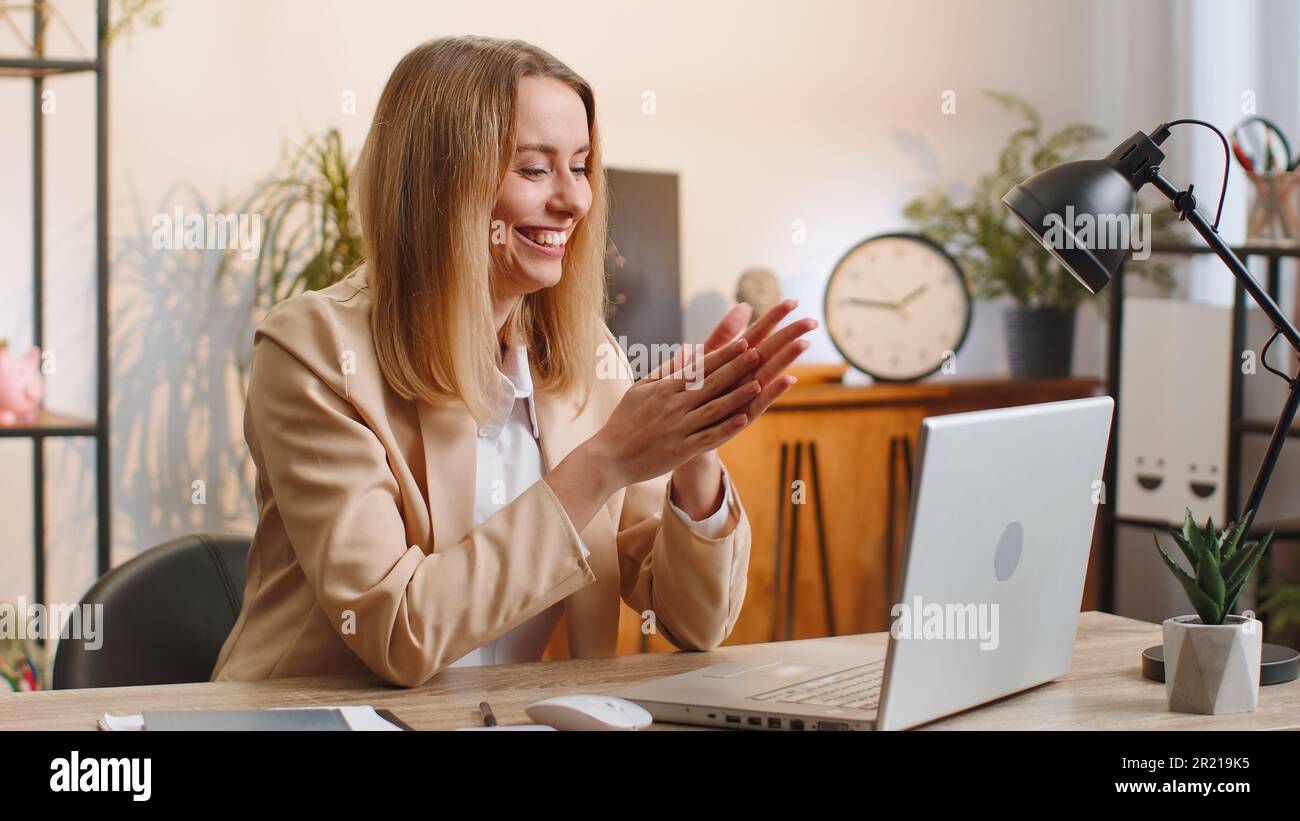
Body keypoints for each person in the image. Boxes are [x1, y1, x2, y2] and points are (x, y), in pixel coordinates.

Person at [211, 35, 816, 688]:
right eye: (534, 169)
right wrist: (605, 462)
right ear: (441, 185)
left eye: (581, 166)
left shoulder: (586, 355)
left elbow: (695, 622)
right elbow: (397, 631)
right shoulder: (313, 350)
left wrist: (697, 445)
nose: (575, 200)